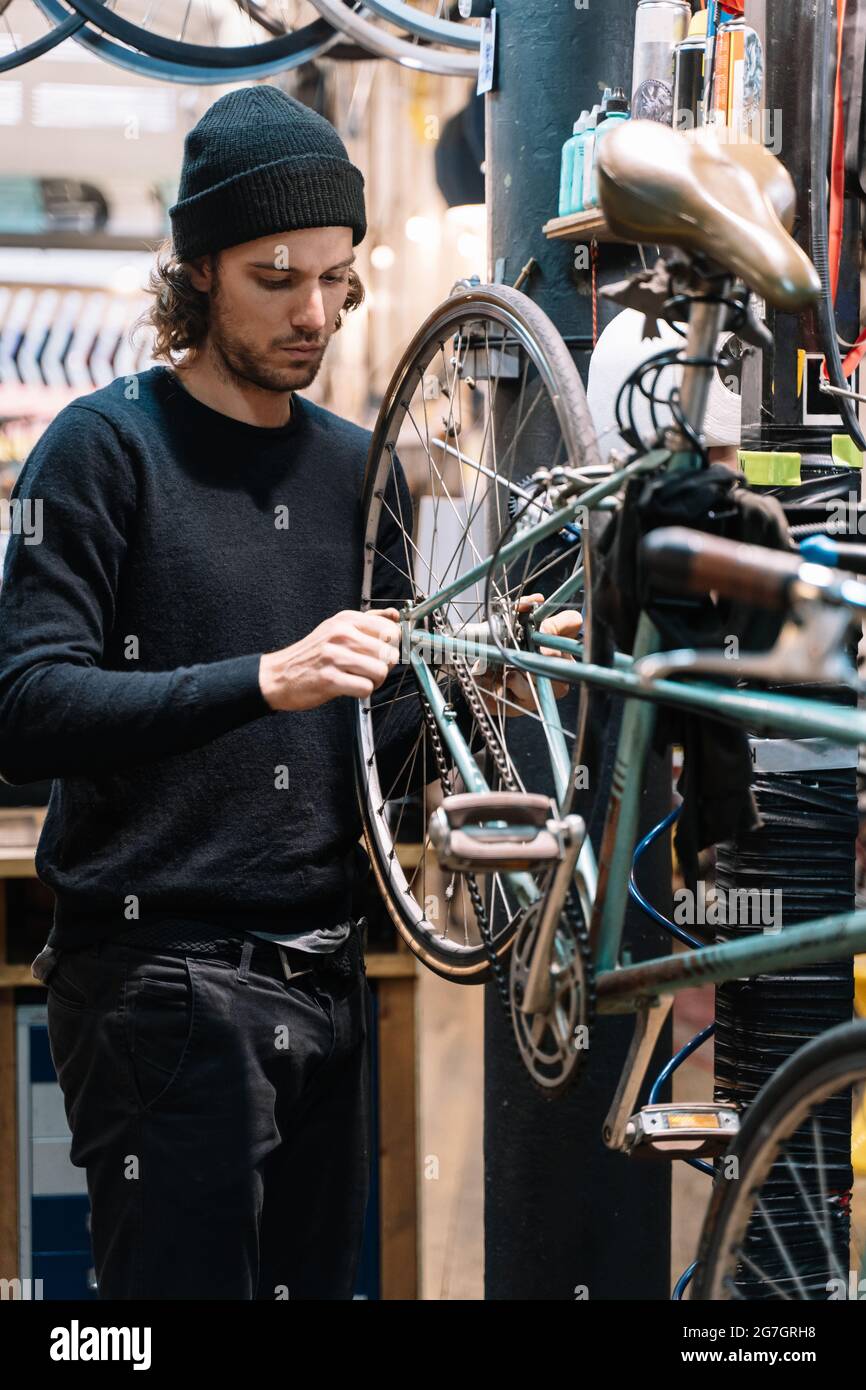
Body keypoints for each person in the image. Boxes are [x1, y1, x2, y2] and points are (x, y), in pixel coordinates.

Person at [0, 85, 579, 1301]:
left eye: (336, 276)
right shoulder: (102, 451)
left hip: (327, 971)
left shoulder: (353, 470)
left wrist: (475, 671)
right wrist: (262, 679)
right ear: (197, 268)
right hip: (160, 982)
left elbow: (378, 747)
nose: (314, 312)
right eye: (276, 277)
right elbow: (28, 708)